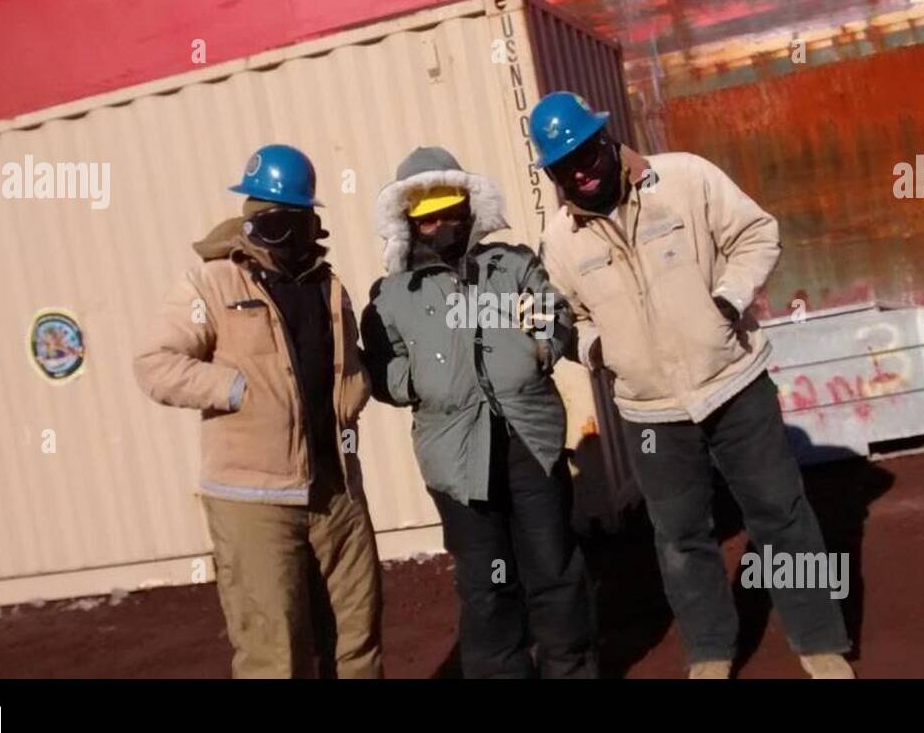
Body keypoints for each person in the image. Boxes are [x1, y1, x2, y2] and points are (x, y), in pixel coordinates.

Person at [529, 92, 854, 679]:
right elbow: (565, 316)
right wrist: (600, 350)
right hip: (651, 412)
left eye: (585, 155)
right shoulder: (560, 240)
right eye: (562, 167)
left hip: (734, 382)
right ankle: (710, 651)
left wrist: (727, 299)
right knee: (679, 535)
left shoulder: (682, 178)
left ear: (605, 141)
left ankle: (819, 637)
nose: (579, 172)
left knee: (779, 512)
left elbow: (757, 233)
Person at [134, 144, 382, 678]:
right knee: (275, 654)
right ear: (248, 216)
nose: (280, 233)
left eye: (292, 219)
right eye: (267, 220)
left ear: (309, 219)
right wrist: (237, 388)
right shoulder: (211, 283)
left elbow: (346, 365)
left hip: (335, 488)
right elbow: (155, 364)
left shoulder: (327, 284)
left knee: (356, 639)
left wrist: (355, 394)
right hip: (254, 499)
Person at [361, 146, 597, 678]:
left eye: (450, 211)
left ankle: (572, 670)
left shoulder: (512, 264)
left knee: (554, 568)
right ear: (409, 223)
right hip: (454, 453)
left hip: (529, 438)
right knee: (487, 583)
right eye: (427, 218)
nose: (440, 224)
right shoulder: (391, 295)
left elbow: (554, 316)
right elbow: (378, 367)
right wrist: (415, 380)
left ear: (469, 208)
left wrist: (539, 347)